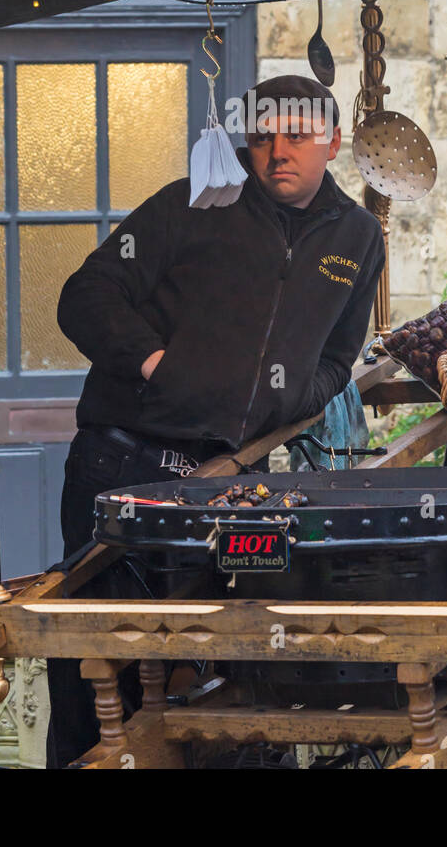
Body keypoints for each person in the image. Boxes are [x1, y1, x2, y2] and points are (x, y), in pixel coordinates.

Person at [46, 74, 385, 766]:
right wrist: (155, 365)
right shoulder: (192, 207)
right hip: (123, 462)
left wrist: (287, 400)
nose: (277, 152)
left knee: (222, 680)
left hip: (232, 483)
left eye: (296, 136)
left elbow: (339, 357)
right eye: (262, 137)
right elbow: (86, 295)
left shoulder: (358, 235)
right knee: (97, 669)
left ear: (333, 141)